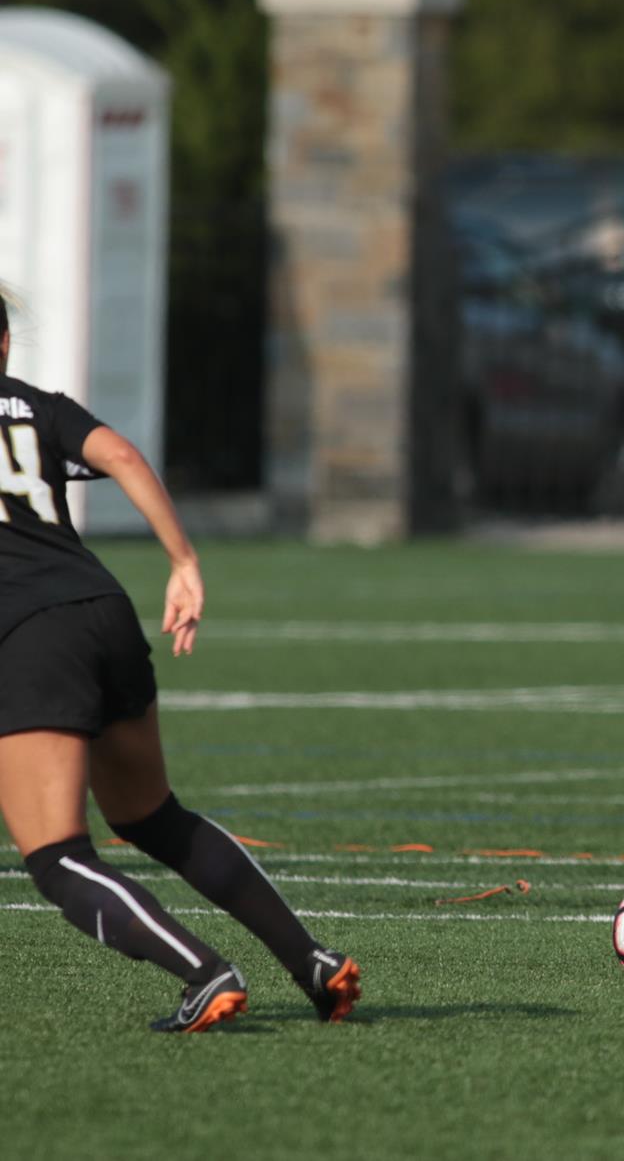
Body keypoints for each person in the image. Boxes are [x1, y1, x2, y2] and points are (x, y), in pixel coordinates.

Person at [0, 298, 359, 1032]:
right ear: (3, 341)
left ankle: (205, 971)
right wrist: (183, 560)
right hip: (104, 607)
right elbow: (124, 455)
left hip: (29, 636)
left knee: (58, 858)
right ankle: (313, 961)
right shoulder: (38, 409)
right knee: (153, 816)